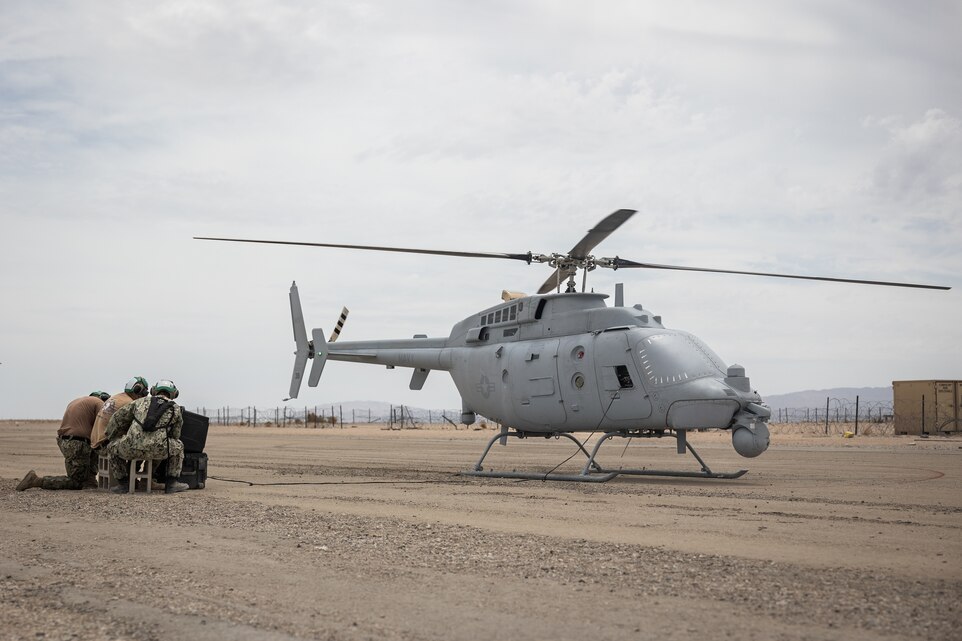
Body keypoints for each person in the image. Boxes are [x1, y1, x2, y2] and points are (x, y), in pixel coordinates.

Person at [104, 380, 189, 494]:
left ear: (154, 391)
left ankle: (123, 484)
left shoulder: (139, 402)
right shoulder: (176, 408)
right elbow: (176, 435)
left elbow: (117, 419)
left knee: (111, 447)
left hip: (130, 449)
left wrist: (112, 435)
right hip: (158, 452)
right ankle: (172, 483)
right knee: (179, 445)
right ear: (174, 394)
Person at [16, 391, 112, 491]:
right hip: (78, 444)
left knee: (79, 473)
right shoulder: (99, 403)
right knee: (76, 481)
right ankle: (37, 481)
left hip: (65, 442)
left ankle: (89, 482)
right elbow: (103, 426)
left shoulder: (77, 402)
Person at [90, 376, 149, 451]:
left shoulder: (116, 397)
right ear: (138, 391)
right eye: (144, 394)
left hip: (96, 444)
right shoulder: (129, 403)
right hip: (105, 446)